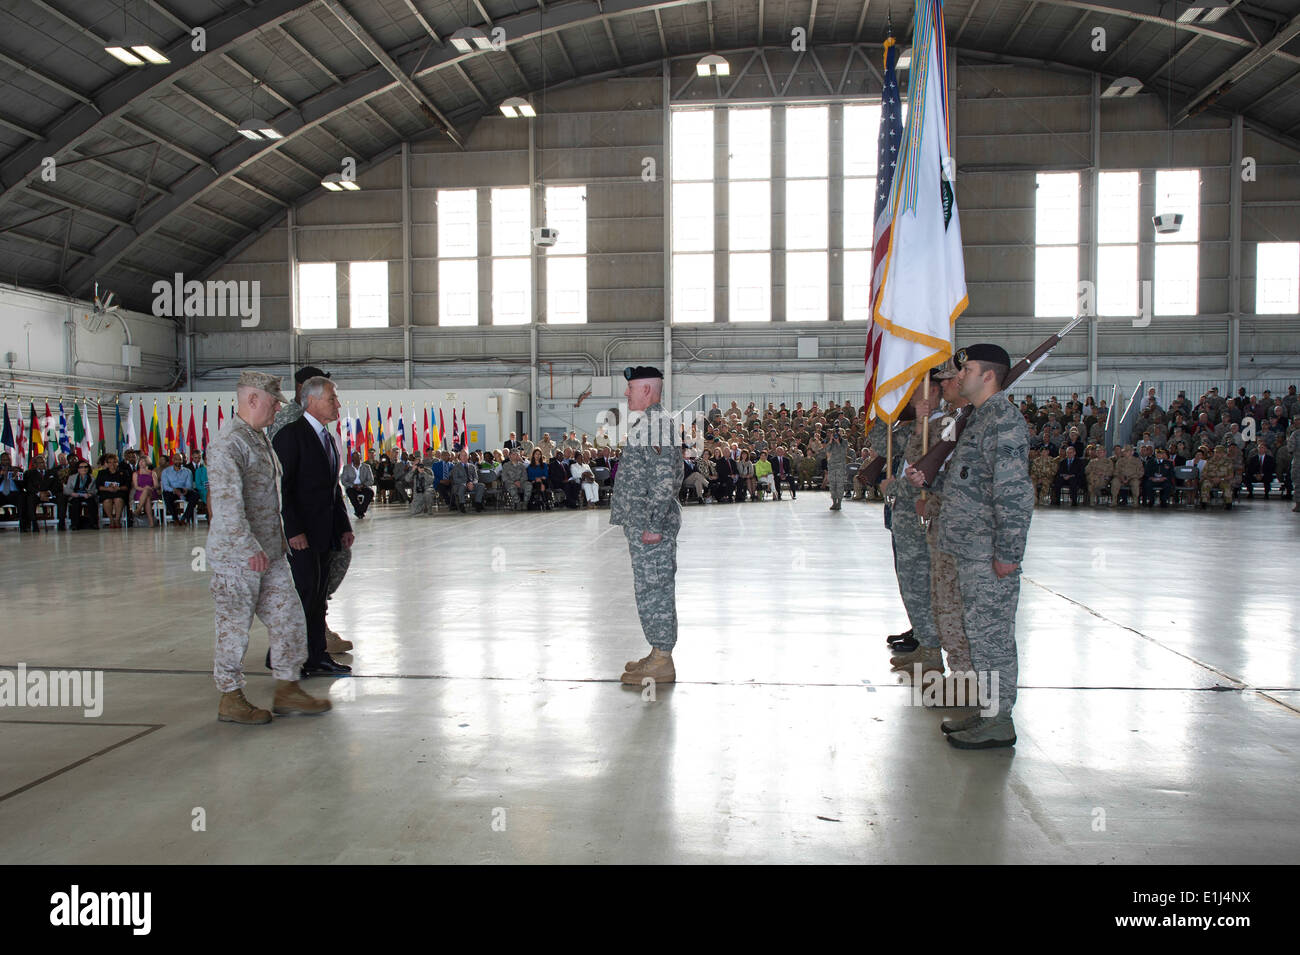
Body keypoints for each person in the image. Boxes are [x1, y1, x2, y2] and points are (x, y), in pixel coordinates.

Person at [908, 343, 1033, 750]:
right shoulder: (977, 420)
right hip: (965, 548)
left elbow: (1014, 494)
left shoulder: (1004, 422)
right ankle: (986, 711)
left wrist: (1008, 555)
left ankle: (999, 720)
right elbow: (967, 482)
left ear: (989, 376)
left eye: (968, 370)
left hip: (986, 553)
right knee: (977, 636)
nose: (959, 377)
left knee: (992, 637)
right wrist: (929, 482)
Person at [207, 370, 330, 724]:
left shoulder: (258, 438)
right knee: (234, 626)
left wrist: (272, 546)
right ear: (251, 400)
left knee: (290, 617)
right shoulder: (228, 443)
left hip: (270, 552)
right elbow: (227, 505)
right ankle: (230, 696)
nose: (278, 408)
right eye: (273, 401)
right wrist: (249, 548)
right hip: (238, 556)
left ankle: (288, 688)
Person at [271, 376, 354, 678]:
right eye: (332, 398)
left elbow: (332, 489)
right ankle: (294, 657)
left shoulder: (327, 438)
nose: (337, 404)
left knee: (317, 597)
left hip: (324, 532)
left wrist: (343, 525)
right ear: (312, 400)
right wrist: (293, 530)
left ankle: (315, 656)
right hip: (301, 536)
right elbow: (282, 488)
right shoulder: (291, 436)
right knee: (305, 596)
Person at [612, 367, 684, 686]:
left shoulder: (656, 424)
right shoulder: (649, 423)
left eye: (631, 388)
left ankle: (662, 660)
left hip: (652, 526)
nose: (626, 393)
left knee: (655, 588)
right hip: (643, 523)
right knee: (649, 588)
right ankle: (657, 651)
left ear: (647, 391)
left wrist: (654, 524)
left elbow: (666, 477)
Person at [161, 452, 201, 525]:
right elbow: (166, 486)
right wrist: (174, 490)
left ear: (182, 461)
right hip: (172, 490)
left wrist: (186, 490)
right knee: (166, 495)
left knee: (195, 495)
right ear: (172, 460)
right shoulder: (166, 471)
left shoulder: (187, 471)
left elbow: (189, 485)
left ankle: (185, 517)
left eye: (180, 460)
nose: (178, 461)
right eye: (176, 459)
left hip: (183, 489)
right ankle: (175, 518)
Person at [95, 453, 130, 528]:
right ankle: (111, 519)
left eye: (114, 462)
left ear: (117, 463)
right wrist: (107, 488)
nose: (112, 464)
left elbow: (127, 486)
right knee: (107, 501)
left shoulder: (123, 472)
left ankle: (117, 519)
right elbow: (98, 486)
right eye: (110, 462)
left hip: (119, 492)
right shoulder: (102, 473)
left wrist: (119, 488)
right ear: (106, 463)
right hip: (106, 493)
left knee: (118, 500)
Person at [341, 451, 375, 519]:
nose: (356, 459)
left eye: (358, 457)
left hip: (363, 486)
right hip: (352, 487)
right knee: (350, 492)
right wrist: (352, 485)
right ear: (352, 459)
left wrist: (363, 485)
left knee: (370, 492)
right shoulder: (347, 467)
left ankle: (360, 511)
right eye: (354, 458)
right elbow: (343, 481)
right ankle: (360, 512)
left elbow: (371, 480)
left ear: (361, 458)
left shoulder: (367, 467)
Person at [130, 457, 158, 526]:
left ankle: (139, 509)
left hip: (152, 492)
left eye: (143, 461)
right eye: (140, 461)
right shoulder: (135, 474)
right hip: (140, 492)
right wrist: (145, 489)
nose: (141, 463)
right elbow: (136, 486)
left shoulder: (153, 473)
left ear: (147, 462)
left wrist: (149, 488)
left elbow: (156, 485)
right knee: (147, 498)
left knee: (147, 492)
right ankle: (151, 521)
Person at [825, 428, 848, 510]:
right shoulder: (831, 442)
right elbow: (827, 450)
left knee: (840, 485)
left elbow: (843, 452)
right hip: (832, 466)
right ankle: (834, 502)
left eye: (839, 433)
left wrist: (838, 442)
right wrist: (831, 440)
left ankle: (839, 502)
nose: (837, 435)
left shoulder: (844, 442)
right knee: (832, 485)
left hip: (840, 466)